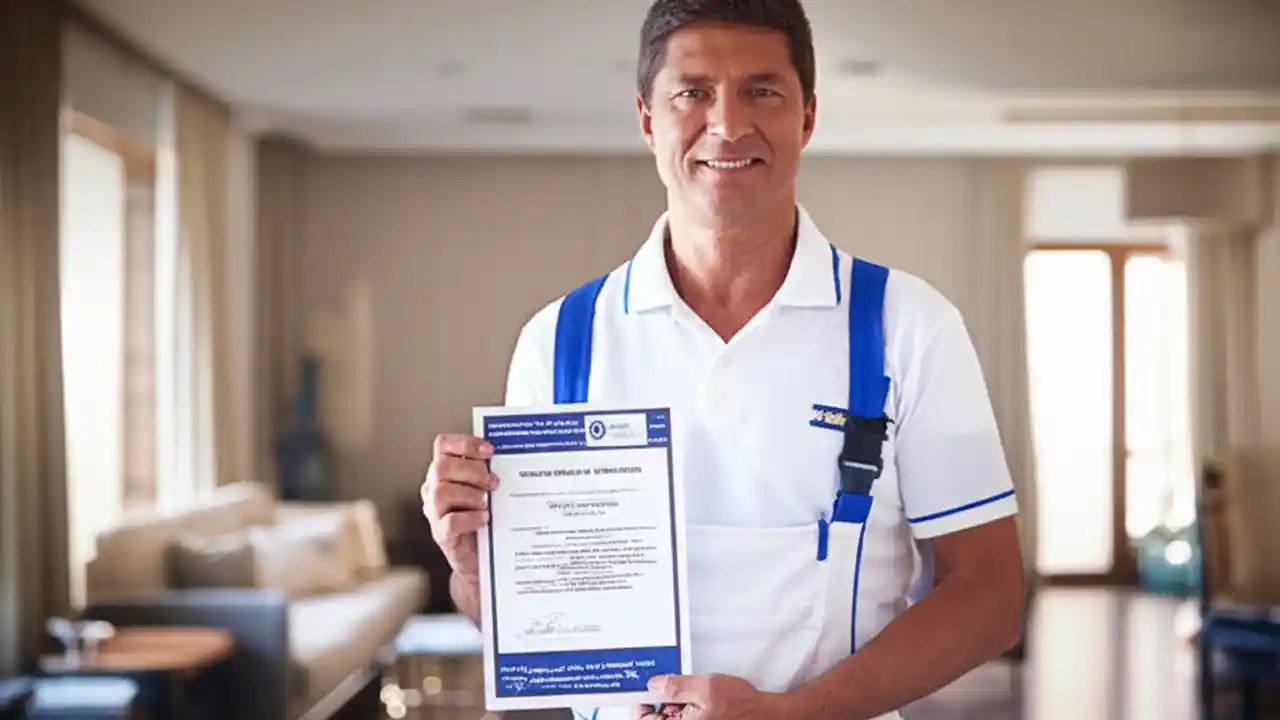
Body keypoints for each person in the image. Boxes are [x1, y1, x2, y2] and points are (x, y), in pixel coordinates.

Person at [420, 1, 1025, 718]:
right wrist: (474, 570)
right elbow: (535, 631)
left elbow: (989, 594)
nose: (728, 124)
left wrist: (791, 715)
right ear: (647, 119)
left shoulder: (910, 327)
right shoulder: (558, 343)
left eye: (761, 91)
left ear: (807, 116)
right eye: (693, 93)